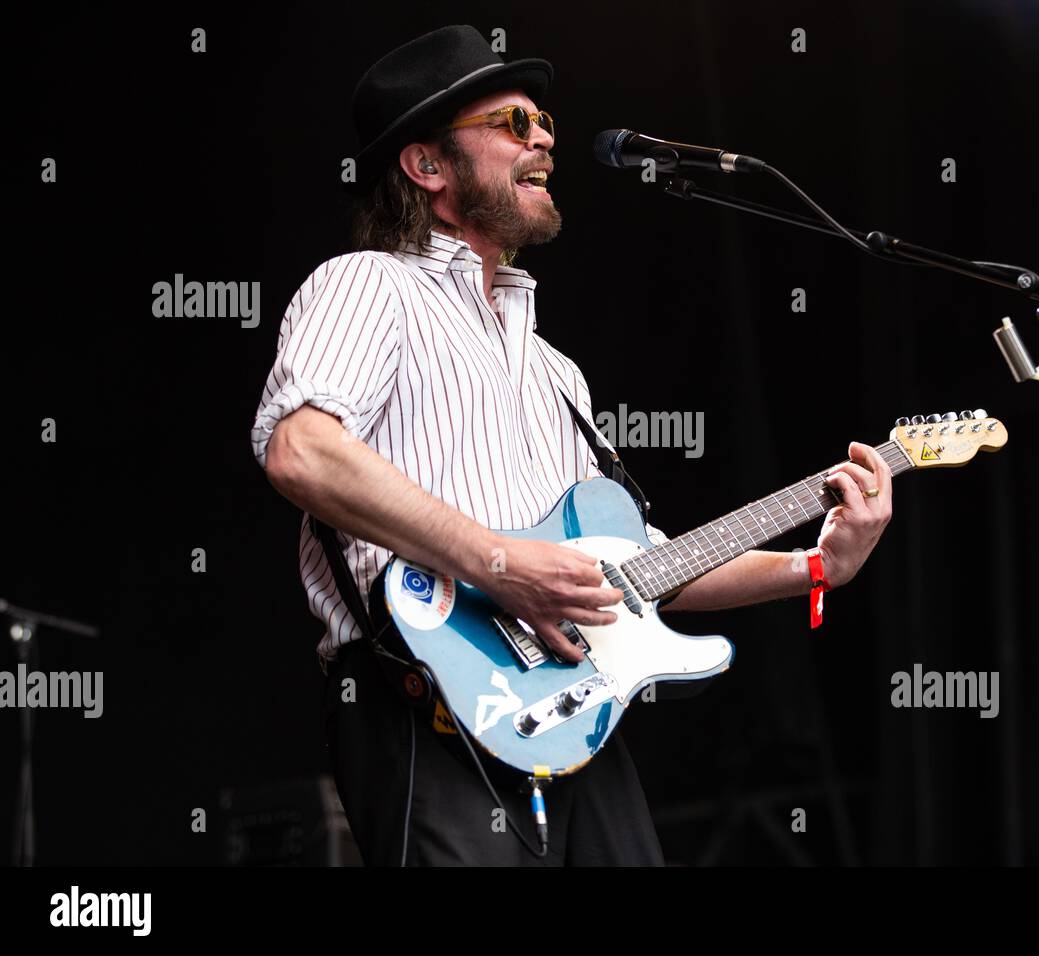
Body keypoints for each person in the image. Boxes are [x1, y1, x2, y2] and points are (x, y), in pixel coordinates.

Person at [249, 24, 893, 866]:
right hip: (423, 703)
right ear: (428, 166)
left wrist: (815, 566)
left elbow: (633, 566)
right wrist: (502, 564)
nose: (546, 135)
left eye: (543, 118)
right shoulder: (369, 285)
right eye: (513, 123)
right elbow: (301, 450)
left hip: (569, 713)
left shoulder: (557, 371)